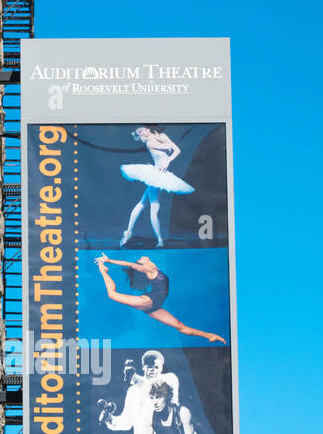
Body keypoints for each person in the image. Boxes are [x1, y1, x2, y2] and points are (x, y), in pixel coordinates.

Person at [95, 253, 226, 343]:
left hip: (155, 306)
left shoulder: (153, 268)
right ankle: (103, 271)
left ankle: (210, 336)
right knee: (112, 294)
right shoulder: (148, 270)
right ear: (142, 264)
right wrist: (109, 260)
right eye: (140, 258)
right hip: (148, 301)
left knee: (180, 326)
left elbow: (132, 265)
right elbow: (130, 265)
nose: (142, 257)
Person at [119, 126, 193, 248]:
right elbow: (169, 147)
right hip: (156, 176)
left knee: (143, 203)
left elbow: (177, 150)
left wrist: (169, 160)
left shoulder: (162, 136)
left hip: (162, 176)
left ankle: (128, 232)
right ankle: (160, 240)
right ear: (141, 136)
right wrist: (167, 145)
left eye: (142, 128)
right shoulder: (150, 143)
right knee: (154, 208)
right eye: (140, 131)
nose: (143, 130)